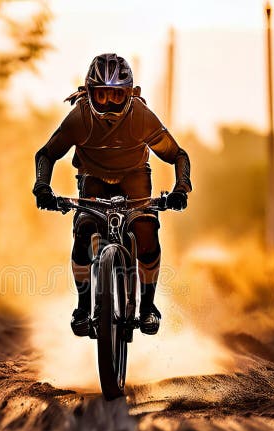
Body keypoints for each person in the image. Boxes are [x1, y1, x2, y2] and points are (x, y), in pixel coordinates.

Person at [33, 53, 191, 336]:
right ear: (89, 93)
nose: (108, 104)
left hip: (135, 177)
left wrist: (181, 189)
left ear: (129, 94)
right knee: (84, 229)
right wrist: (42, 186)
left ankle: (147, 307)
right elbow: (46, 154)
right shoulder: (79, 118)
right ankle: (83, 306)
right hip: (92, 178)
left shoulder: (142, 117)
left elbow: (177, 155)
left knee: (146, 229)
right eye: (101, 95)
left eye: (116, 95)